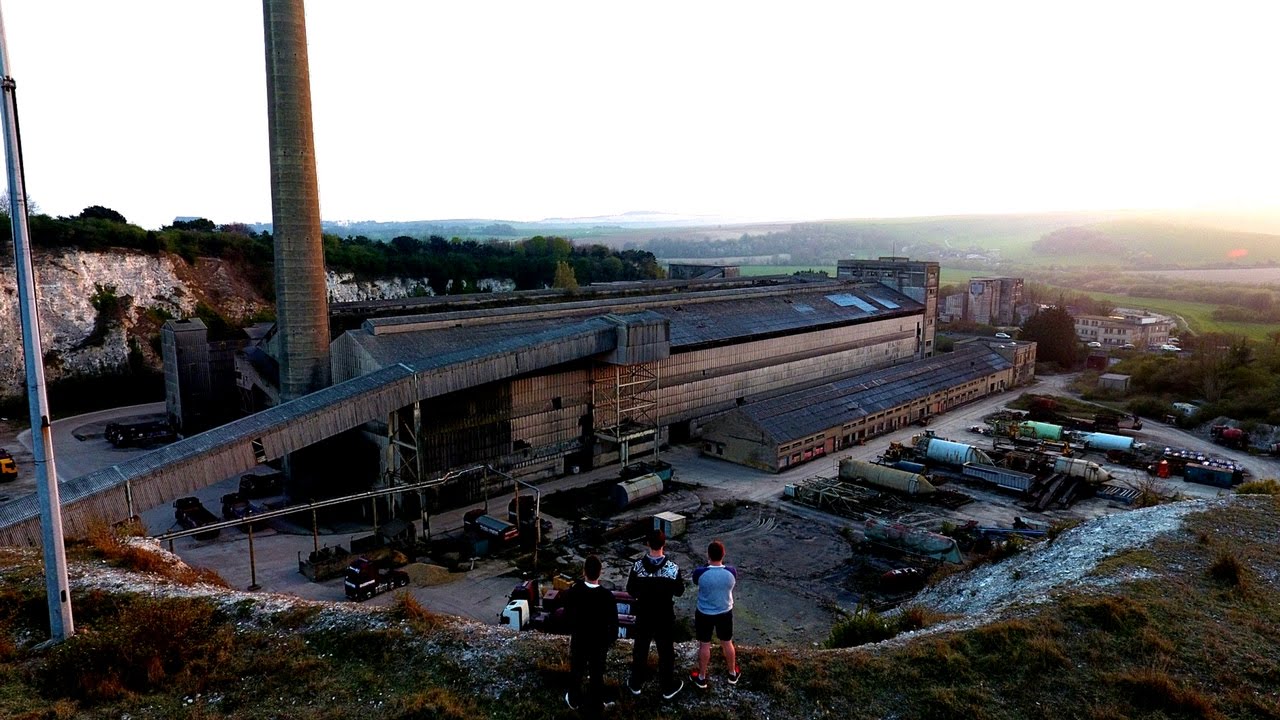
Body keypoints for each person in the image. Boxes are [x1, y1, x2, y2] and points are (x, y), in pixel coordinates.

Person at [626, 527, 685, 700]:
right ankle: (667, 687)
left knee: (640, 649)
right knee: (666, 652)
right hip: (664, 616)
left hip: (644, 614)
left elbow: (631, 590)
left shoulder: (637, 567)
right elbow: (679, 591)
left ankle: (636, 683)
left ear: (647, 544)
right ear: (664, 544)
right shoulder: (673, 569)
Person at [563, 555, 619, 717]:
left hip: (580, 640)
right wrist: (608, 640)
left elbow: (568, 617)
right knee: (597, 673)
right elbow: (614, 625)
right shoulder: (607, 596)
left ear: (583, 571)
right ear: (600, 573)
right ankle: (597, 702)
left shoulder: (574, 592)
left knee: (577, 670)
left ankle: (573, 699)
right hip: (599, 643)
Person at [689, 539, 739, 689]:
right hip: (724, 612)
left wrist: (707, 566)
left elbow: (696, 581)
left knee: (704, 645)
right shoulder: (731, 572)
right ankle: (732, 673)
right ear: (723, 554)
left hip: (704, 613)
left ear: (708, 555)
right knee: (727, 642)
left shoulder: (700, 573)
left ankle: (702, 677)